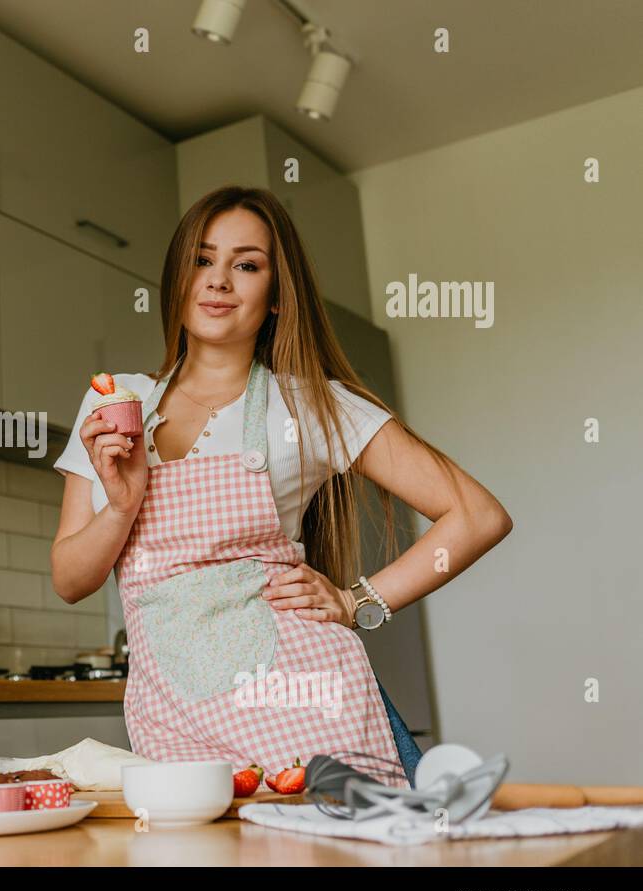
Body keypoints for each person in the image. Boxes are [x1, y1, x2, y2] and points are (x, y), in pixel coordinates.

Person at [50, 185, 512, 788]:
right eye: (202, 259)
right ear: (177, 280)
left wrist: (357, 601)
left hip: (309, 713)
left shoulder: (311, 406)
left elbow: (477, 515)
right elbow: (70, 580)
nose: (218, 280)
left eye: (246, 265)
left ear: (273, 296)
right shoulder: (118, 404)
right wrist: (123, 503)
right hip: (173, 722)